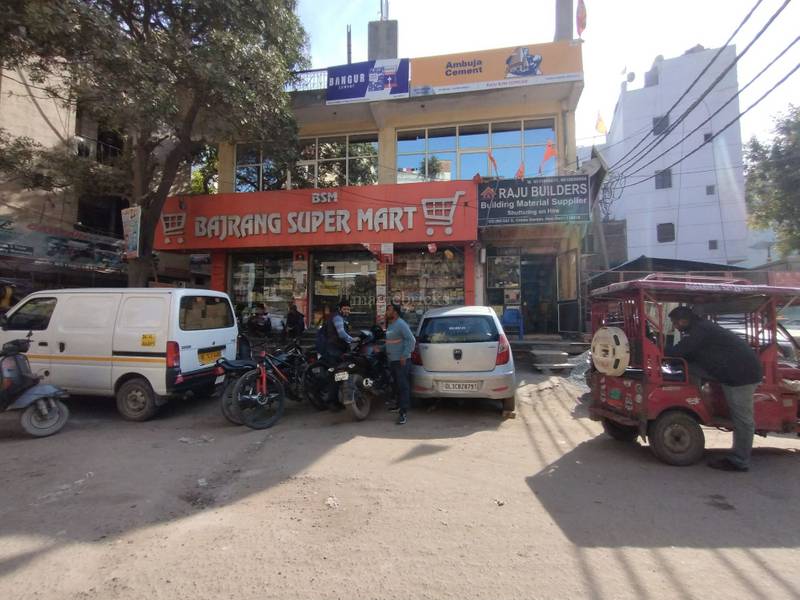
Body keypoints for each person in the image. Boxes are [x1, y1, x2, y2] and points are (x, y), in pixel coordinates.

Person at [665, 306, 763, 472]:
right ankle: (697, 399)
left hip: (741, 375)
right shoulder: (698, 328)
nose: (675, 326)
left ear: (684, 320)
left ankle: (739, 461)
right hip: (728, 371)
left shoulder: (700, 330)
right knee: (689, 368)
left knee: (742, 420)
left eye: (676, 323)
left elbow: (680, 351)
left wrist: (659, 347)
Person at [384, 302, 416, 425]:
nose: (387, 312)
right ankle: (398, 406)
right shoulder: (391, 324)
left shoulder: (401, 324)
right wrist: (381, 348)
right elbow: (391, 342)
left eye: (389, 310)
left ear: (395, 313)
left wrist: (404, 355)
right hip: (393, 360)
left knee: (403, 387)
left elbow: (411, 340)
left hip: (401, 361)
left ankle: (403, 413)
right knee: (396, 385)